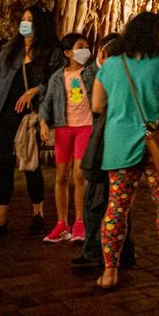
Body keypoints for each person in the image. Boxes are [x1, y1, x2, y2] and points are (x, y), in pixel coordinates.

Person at [90, 12, 159, 289]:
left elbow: (97, 105)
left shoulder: (112, 65)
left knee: (117, 206)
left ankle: (110, 272)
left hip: (119, 144)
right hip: (158, 146)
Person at [0, 7, 56, 240]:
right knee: (4, 167)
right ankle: (0, 221)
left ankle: (38, 215)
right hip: (5, 114)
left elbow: (56, 80)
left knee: (31, 165)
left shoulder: (49, 52)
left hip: (29, 117)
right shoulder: (11, 50)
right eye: (23, 19)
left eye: (30, 20)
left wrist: (36, 90)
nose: (25, 23)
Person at [70, 34, 136, 273]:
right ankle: (120, 252)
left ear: (103, 54)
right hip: (118, 142)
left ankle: (98, 253)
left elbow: (96, 105)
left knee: (98, 201)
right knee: (116, 201)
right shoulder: (127, 73)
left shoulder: (97, 74)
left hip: (105, 143)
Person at [38, 32, 96, 244]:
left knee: (79, 175)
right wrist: (43, 122)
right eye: (81, 46)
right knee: (61, 176)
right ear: (68, 52)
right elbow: (46, 102)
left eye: (87, 46)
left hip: (86, 128)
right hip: (64, 129)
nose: (86, 49)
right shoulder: (57, 77)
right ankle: (62, 223)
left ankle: (80, 222)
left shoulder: (92, 73)